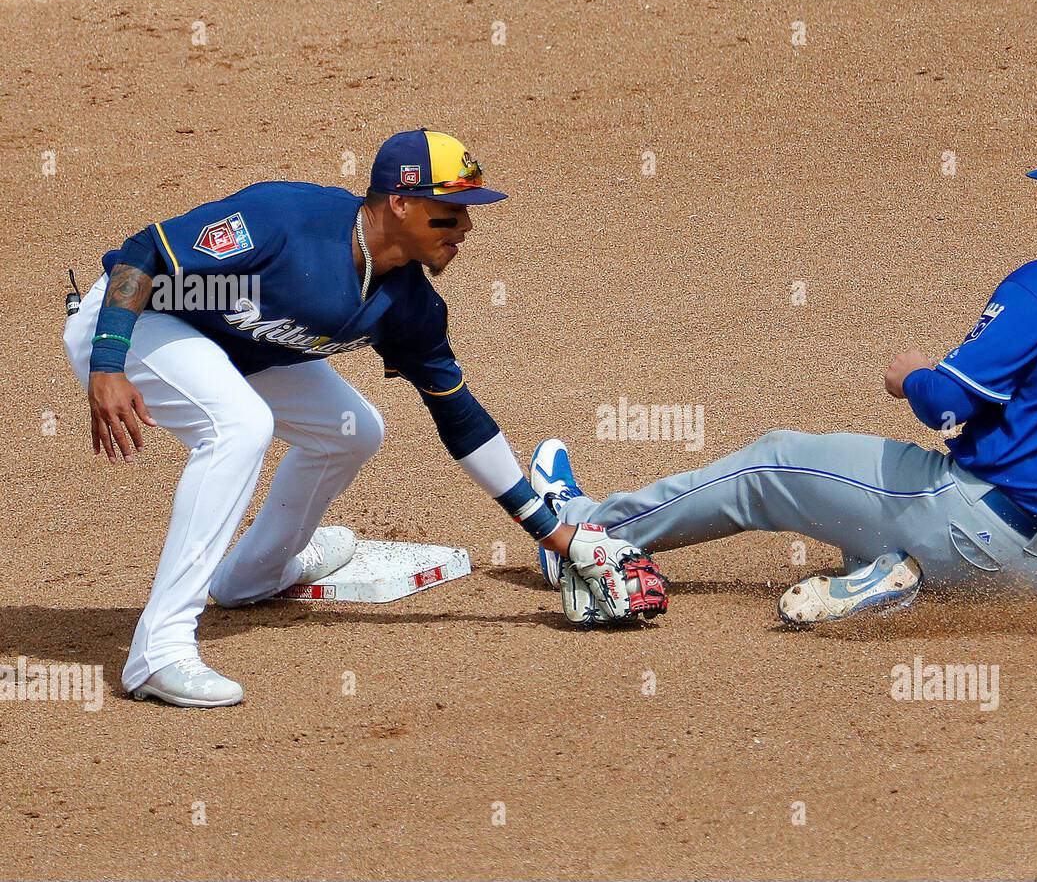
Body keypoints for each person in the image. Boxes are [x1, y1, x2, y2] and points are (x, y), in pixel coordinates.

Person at [529, 124, 1037, 626]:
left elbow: (949, 405)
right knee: (898, 511)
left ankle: (582, 535)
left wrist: (912, 376)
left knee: (771, 464)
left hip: (970, 527)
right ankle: (890, 575)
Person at [64, 128, 665, 706]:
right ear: (400, 203)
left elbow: (461, 419)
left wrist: (555, 536)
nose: (465, 227)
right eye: (449, 212)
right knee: (240, 425)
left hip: (235, 346)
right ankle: (158, 652)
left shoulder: (408, 304)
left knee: (352, 431)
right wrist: (107, 361)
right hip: (133, 320)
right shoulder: (288, 221)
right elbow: (144, 252)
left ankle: (254, 574)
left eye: (466, 213)